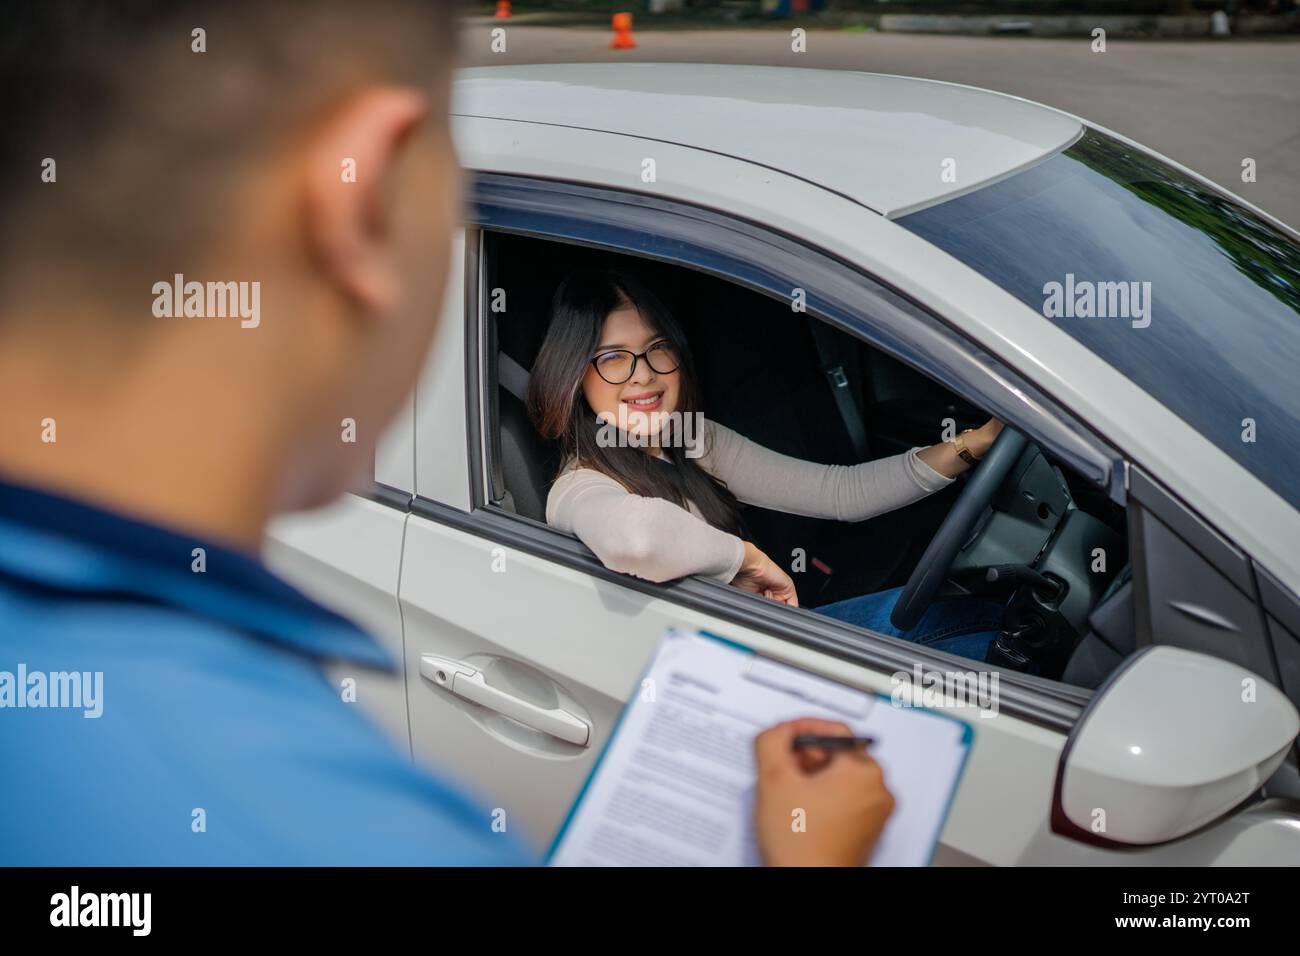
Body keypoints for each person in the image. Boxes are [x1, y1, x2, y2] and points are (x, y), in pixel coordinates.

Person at [0, 1, 893, 866]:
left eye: (656, 353)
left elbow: (830, 491)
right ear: (364, 202)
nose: (644, 374)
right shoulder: (329, 826)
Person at [529, 268, 1006, 660]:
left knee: (983, 617)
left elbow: (840, 493)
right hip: (723, 680)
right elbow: (636, 537)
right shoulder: (577, 487)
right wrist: (746, 559)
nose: (646, 375)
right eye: (613, 358)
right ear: (574, 375)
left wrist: (973, 444)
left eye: (657, 349)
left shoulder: (692, 439)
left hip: (770, 640)